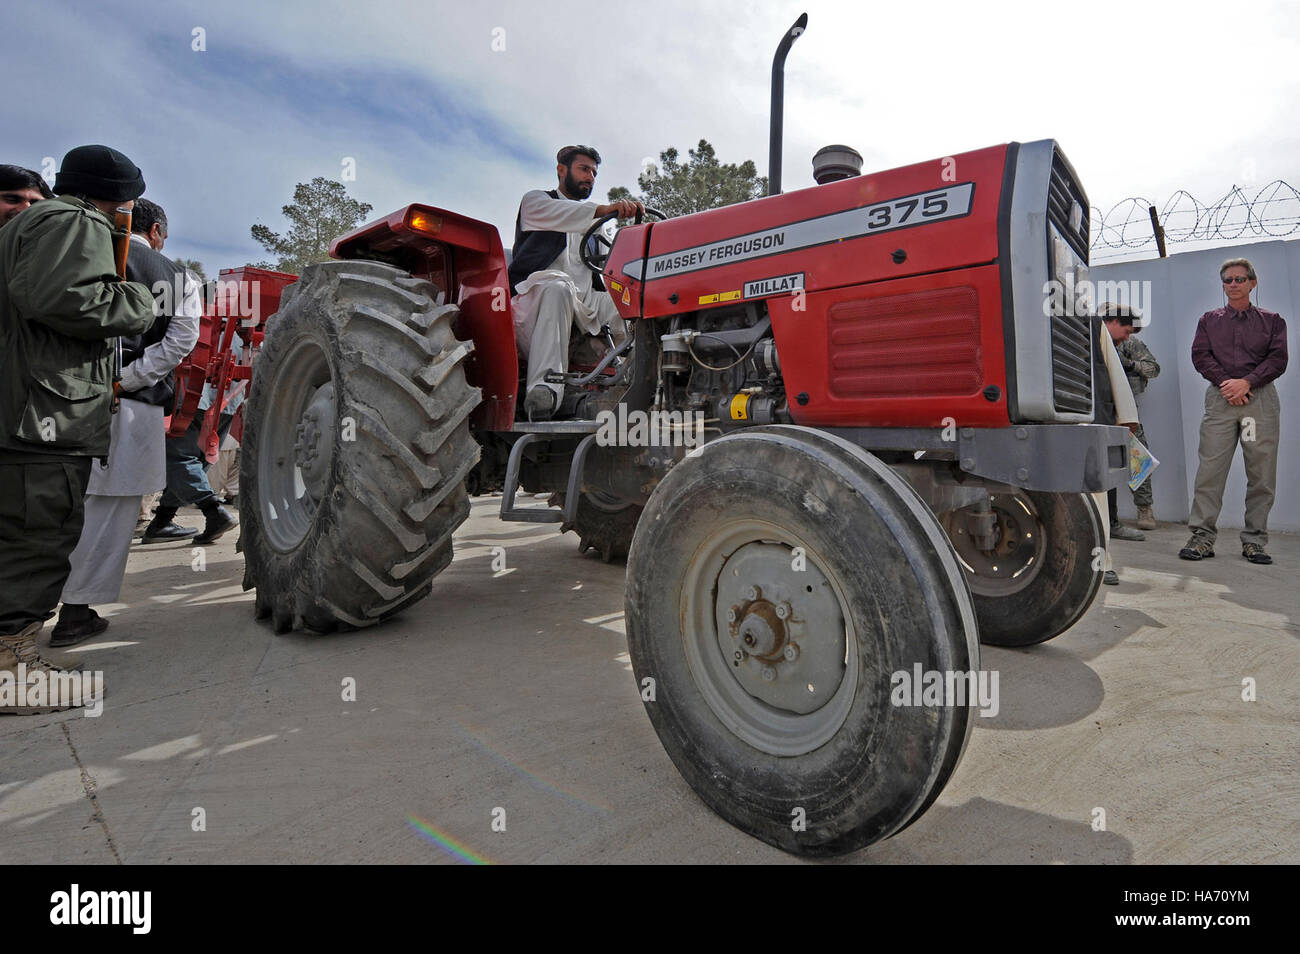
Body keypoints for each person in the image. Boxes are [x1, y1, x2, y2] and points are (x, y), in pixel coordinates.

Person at [0, 144, 154, 712]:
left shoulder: (31, 224)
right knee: (34, 534)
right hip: (41, 413)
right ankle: (10, 666)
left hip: (27, 405)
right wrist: (137, 301)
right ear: (120, 198)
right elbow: (63, 298)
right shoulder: (74, 220)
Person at [51, 198, 201, 646]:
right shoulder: (174, 276)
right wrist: (123, 380)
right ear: (154, 230)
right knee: (110, 507)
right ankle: (74, 612)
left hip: (51, 399)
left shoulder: (68, 248)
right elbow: (182, 340)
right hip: (128, 404)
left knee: (54, 501)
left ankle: (28, 608)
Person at [509, 145, 643, 421]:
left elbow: (607, 268)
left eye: (594, 172)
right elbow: (565, 214)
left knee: (634, 302)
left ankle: (638, 377)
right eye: (584, 169)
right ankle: (544, 391)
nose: (591, 177)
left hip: (584, 304)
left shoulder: (598, 225)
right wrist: (607, 210)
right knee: (558, 286)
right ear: (562, 170)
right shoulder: (536, 202)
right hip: (535, 299)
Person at [1180, 258, 1288, 565]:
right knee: (1210, 470)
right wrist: (1227, 383)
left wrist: (1247, 383)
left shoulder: (1273, 321)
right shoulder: (1209, 320)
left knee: (1261, 472)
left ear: (1253, 283)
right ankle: (1202, 537)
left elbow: (1278, 359)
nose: (1233, 284)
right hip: (1221, 400)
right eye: (1227, 280)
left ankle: (1255, 540)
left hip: (1259, 401)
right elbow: (1200, 355)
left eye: (1240, 279)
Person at [1090, 307, 1142, 585]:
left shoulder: (1090, 323)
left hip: (1093, 419)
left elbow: (1112, 370)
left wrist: (1126, 417)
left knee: (1098, 493)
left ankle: (1101, 562)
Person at [1114, 307, 1161, 530]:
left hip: (1126, 409)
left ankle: (1144, 507)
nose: (1127, 335)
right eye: (1126, 330)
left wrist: (1131, 365)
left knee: (1137, 457)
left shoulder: (1130, 344)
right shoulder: (1091, 342)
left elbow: (1153, 369)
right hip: (1097, 409)